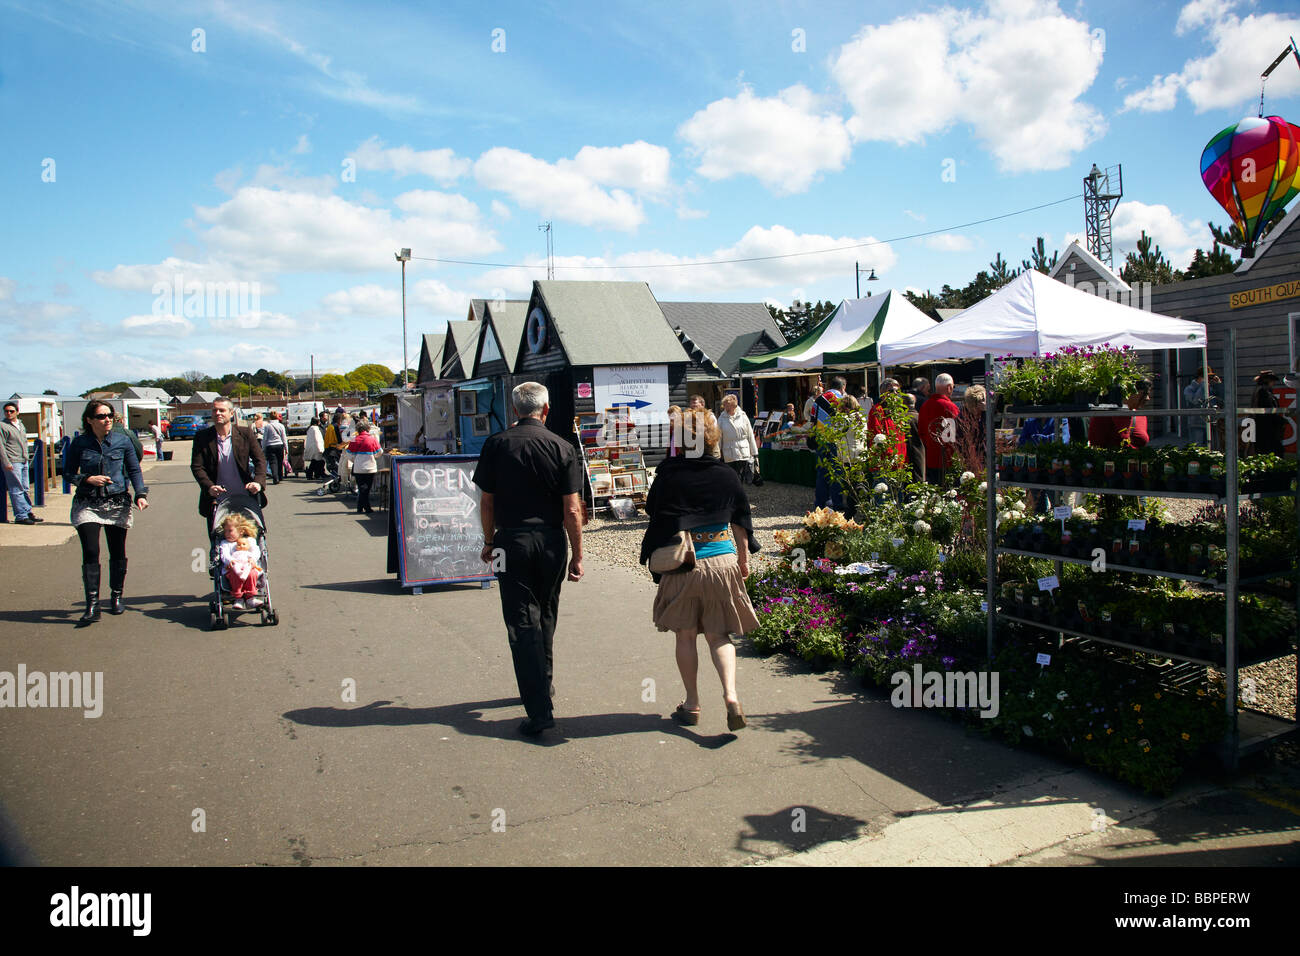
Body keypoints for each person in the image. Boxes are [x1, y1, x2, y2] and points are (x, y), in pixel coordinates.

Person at [472, 382, 584, 737]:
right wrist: (578, 554)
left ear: (514, 409)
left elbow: (487, 502)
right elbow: (572, 509)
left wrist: (489, 541)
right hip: (551, 540)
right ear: (546, 409)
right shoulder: (563, 447)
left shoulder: (496, 444)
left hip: (510, 542)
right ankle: (543, 684)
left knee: (521, 621)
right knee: (546, 613)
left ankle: (539, 709)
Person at [639, 407, 759, 731]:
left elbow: (654, 514)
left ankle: (692, 703)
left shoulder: (668, 476)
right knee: (720, 636)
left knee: (686, 635)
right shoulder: (727, 475)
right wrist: (744, 561)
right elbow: (741, 523)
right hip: (722, 561)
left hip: (684, 564)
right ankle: (731, 696)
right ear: (712, 437)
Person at [65, 401, 149, 624]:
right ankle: (92, 604)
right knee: (91, 551)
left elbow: (134, 469)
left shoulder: (123, 441)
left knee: (117, 551)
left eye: (110, 415)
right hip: (88, 502)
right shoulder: (80, 443)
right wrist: (86, 479)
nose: (107, 419)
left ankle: (116, 596)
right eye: (102, 416)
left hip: (116, 502)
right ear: (90, 420)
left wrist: (141, 494)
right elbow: (67, 472)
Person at [191, 397, 267, 530]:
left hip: (245, 499)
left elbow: (260, 460)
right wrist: (209, 487)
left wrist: (258, 482)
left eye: (222, 410)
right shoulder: (202, 437)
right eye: (214, 410)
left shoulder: (245, 433)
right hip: (217, 502)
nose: (218, 413)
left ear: (231, 413)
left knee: (247, 543)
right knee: (220, 545)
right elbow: (197, 466)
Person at [1, 401, 41, 524]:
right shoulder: (2, 426)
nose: (9, 413)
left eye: (11, 411)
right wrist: (6, 462)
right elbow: (1, 446)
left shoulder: (21, 425)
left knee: (25, 488)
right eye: (6, 411)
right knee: (16, 489)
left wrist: (27, 458)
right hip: (12, 461)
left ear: (17, 412)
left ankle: (27, 511)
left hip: (23, 460)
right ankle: (20, 515)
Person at [811, 376, 847, 509]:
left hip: (821, 440)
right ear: (843, 387)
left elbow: (812, 421)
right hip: (836, 440)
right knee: (836, 472)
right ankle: (837, 503)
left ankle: (820, 504)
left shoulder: (818, 400)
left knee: (822, 473)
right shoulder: (843, 400)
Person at [918, 373, 959, 484]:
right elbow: (956, 433)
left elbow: (921, 432)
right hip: (948, 458)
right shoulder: (950, 407)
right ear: (949, 387)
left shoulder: (925, 406)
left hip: (930, 457)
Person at [217, 514, 262, 610]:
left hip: (249, 566)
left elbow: (256, 551)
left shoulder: (250, 540)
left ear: (241, 531)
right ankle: (238, 598)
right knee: (235, 576)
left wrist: (253, 559)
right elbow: (224, 554)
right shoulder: (225, 544)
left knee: (252, 574)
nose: (227, 534)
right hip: (234, 568)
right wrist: (230, 560)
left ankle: (250, 598)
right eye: (225, 531)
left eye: (230, 531)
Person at [1088, 380, 1151, 448]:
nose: (1148, 398)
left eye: (1148, 394)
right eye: (1145, 393)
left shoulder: (1141, 416)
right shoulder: (1104, 416)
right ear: (1131, 392)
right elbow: (1095, 446)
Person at [718, 393, 759, 484]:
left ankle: (739, 496)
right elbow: (719, 438)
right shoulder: (721, 418)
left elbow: (750, 435)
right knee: (731, 478)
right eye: (724, 405)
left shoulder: (743, 416)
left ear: (733, 405)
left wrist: (754, 452)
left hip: (743, 451)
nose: (725, 407)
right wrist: (717, 453)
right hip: (728, 453)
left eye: (727, 405)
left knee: (740, 478)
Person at [346, 420, 382, 514]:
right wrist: (373, 457)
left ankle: (361, 507)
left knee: (362, 488)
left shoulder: (354, 439)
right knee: (366, 488)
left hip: (358, 468)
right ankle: (366, 507)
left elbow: (349, 454)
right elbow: (380, 452)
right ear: (368, 428)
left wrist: (356, 460)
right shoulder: (372, 439)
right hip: (370, 467)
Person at [1250, 370, 1285, 456]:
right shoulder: (1263, 392)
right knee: (1272, 451)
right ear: (1267, 380)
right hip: (1266, 428)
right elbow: (1268, 410)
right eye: (1272, 380)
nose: (1273, 383)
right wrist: (1280, 420)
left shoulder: (1262, 391)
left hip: (1265, 428)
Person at [958, 384, 988, 473]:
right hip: (970, 458)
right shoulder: (963, 418)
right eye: (982, 401)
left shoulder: (982, 414)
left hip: (982, 457)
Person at [262, 411, 288, 484]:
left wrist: (263, 448)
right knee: (280, 461)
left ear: (270, 417)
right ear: (277, 417)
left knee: (273, 462)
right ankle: (280, 476)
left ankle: (275, 477)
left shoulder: (267, 426)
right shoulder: (281, 426)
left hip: (270, 445)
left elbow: (265, 438)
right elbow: (284, 437)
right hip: (279, 445)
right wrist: (286, 448)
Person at [304, 416, 326, 481]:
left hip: (312, 447)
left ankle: (310, 473)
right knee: (318, 461)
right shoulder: (316, 429)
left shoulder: (310, 428)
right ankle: (314, 474)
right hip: (317, 447)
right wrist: (321, 448)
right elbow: (318, 439)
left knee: (314, 461)